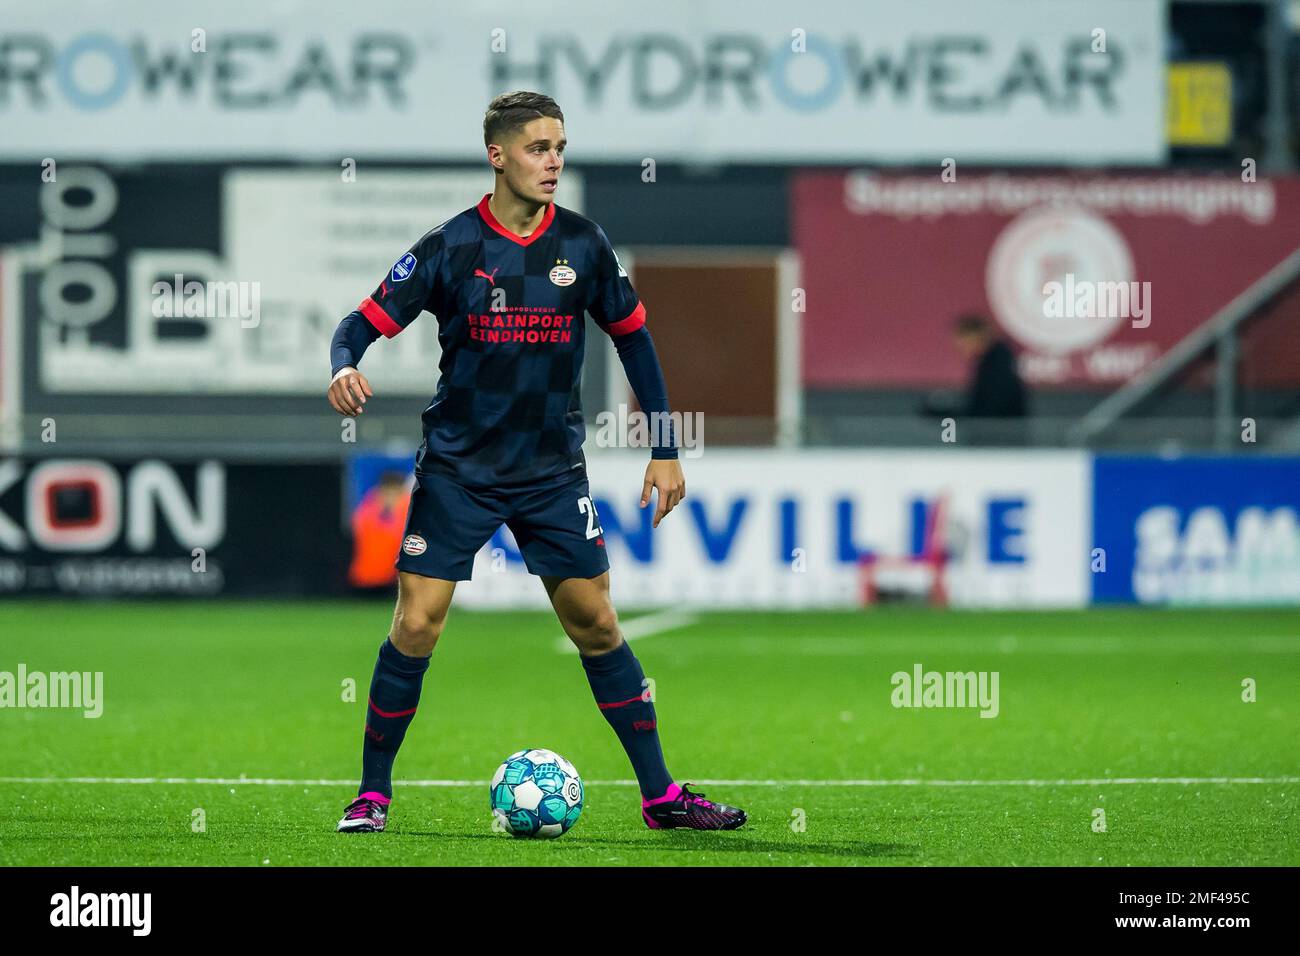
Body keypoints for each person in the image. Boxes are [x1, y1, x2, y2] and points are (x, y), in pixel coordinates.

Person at [326, 91, 746, 834]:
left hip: (551, 473)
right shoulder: (451, 247)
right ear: (498, 155)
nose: (553, 161)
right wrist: (343, 366)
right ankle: (372, 794)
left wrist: (666, 448)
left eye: (560, 147)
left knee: (598, 625)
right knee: (416, 625)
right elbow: (359, 324)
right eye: (538, 148)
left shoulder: (584, 245)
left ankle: (660, 798)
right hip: (459, 469)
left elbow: (634, 340)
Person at [347, 471, 410, 595]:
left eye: (395, 494)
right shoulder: (368, 509)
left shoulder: (408, 510)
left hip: (394, 580)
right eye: (387, 493)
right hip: (365, 578)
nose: (391, 498)